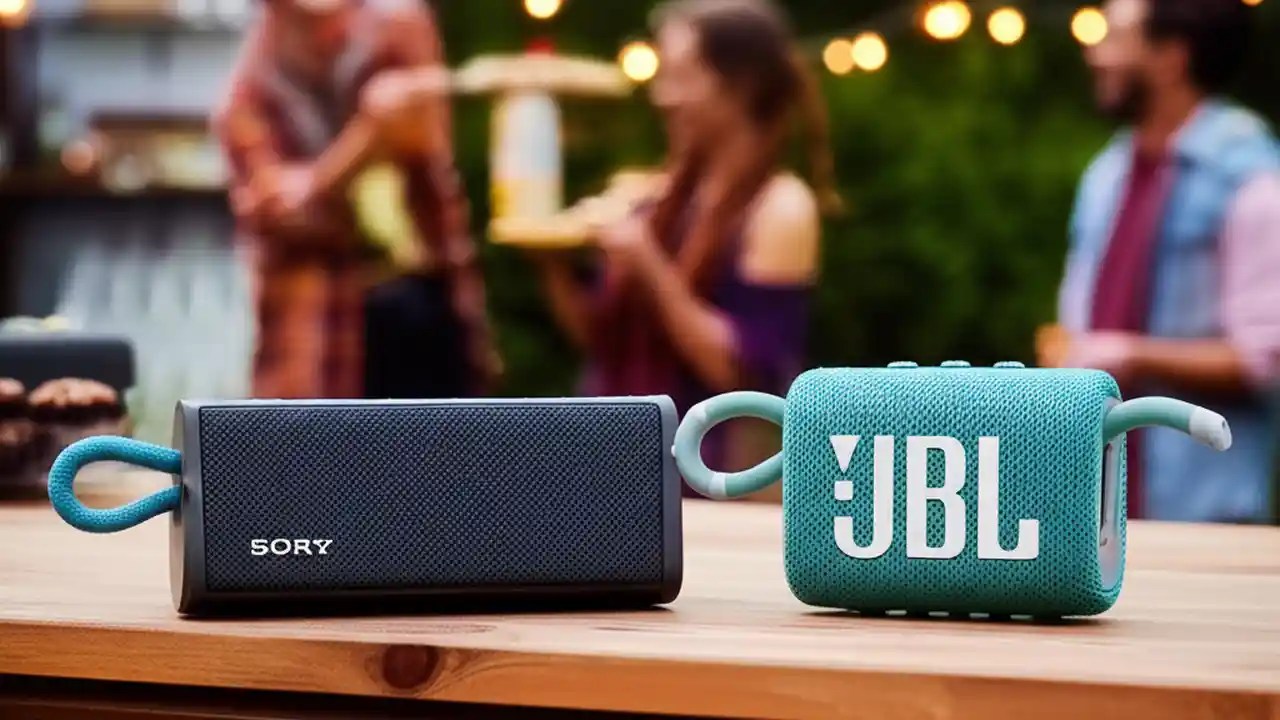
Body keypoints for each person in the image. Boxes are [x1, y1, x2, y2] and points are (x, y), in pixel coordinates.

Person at [535, 0, 839, 497]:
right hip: (618, 472)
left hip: (719, 488)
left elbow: (742, 376)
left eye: (680, 76)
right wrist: (552, 263)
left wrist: (648, 263)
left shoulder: (780, 208)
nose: (662, 97)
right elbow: (597, 341)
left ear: (740, 86)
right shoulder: (653, 198)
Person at [1056, 0, 1280, 522]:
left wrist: (1132, 355)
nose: (1095, 53)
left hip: (1203, 517)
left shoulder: (1251, 177)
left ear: (1171, 58)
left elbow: (1264, 356)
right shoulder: (1107, 173)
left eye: (1116, 36)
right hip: (1097, 509)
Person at [213, 0, 495, 400]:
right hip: (322, 345)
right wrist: (366, 139)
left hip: (426, 312)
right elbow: (284, 212)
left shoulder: (394, 33)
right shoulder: (248, 101)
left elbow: (429, 145)